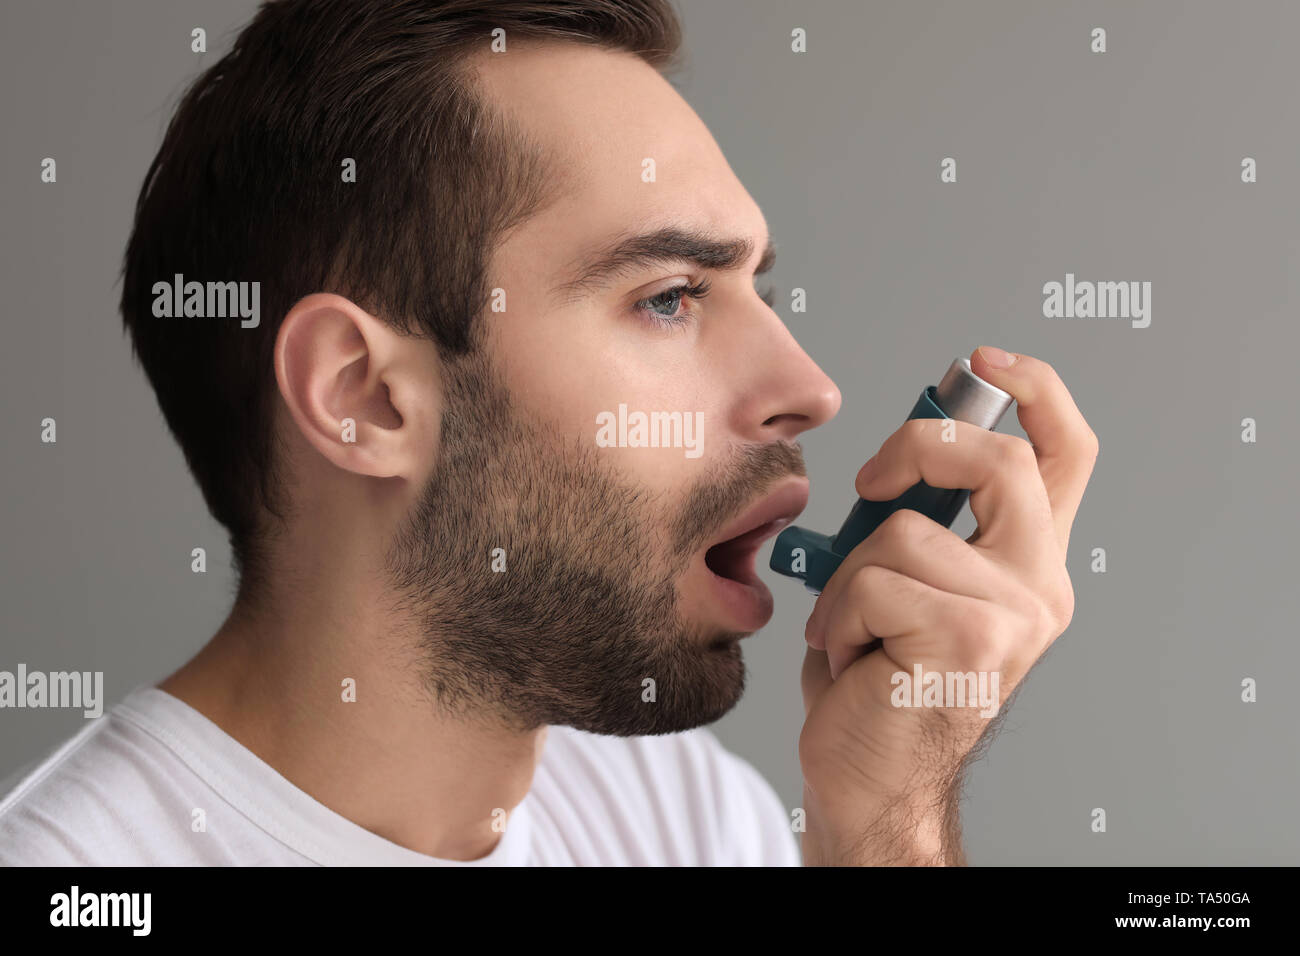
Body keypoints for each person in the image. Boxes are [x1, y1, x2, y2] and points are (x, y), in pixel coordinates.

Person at [0, 0, 1096, 866]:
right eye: (670, 295)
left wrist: (887, 823)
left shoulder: (684, 817)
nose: (809, 387)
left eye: (757, 287)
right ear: (365, 398)